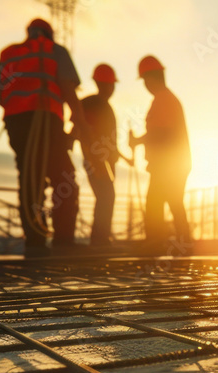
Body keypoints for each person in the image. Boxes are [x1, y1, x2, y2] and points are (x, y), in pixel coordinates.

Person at [0, 18, 90, 257]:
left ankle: (35, 240)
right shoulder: (55, 51)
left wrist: (20, 105)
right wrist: (81, 122)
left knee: (29, 178)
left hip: (16, 123)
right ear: (50, 34)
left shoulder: (9, 53)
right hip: (46, 120)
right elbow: (67, 87)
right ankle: (64, 240)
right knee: (62, 177)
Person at [128, 55, 193, 252]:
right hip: (174, 163)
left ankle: (156, 245)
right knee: (173, 202)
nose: (145, 86)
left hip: (169, 164)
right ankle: (183, 244)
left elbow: (160, 133)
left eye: (145, 81)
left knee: (156, 203)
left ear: (151, 78)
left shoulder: (163, 99)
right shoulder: (166, 99)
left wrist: (137, 141)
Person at [79, 63, 123, 247]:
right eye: (110, 84)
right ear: (103, 84)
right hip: (95, 159)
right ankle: (99, 239)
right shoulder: (93, 104)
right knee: (107, 195)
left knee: (105, 196)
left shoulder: (102, 106)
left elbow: (108, 139)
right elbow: (80, 128)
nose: (111, 89)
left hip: (102, 160)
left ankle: (100, 237)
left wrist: (120, 155)